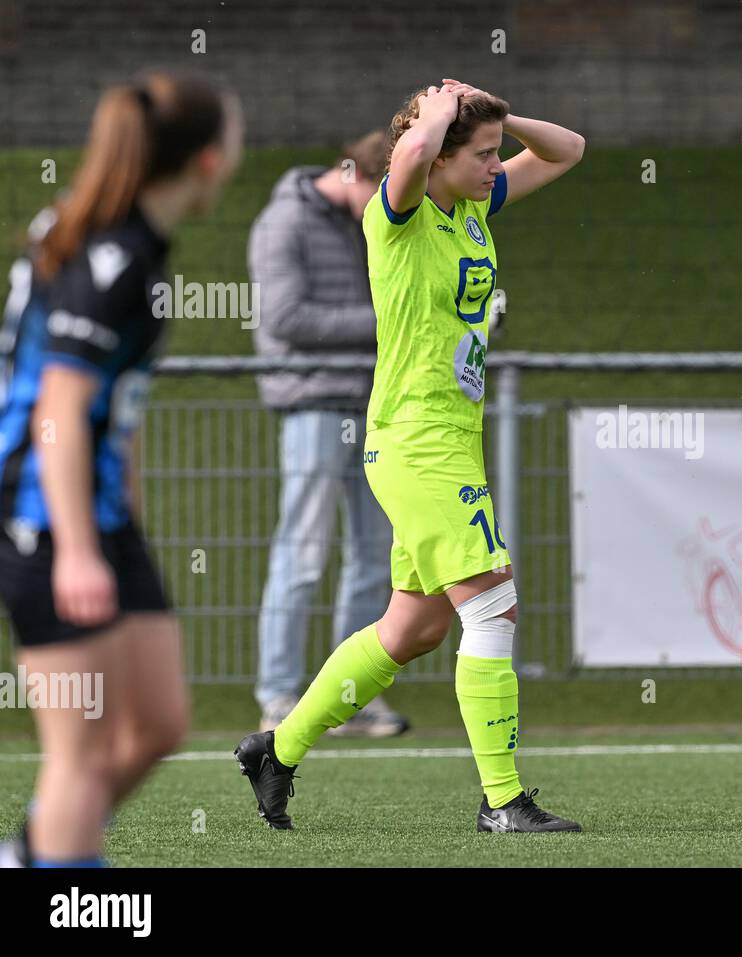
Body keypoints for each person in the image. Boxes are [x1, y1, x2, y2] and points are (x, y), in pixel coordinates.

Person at [235, 78, 585, 833]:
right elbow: (415, 153)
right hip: (417, 441)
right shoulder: (397, 214)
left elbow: (568, 151)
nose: (498, 164)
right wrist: (434, 114)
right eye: (484, 155)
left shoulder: (473, 207)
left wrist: (497, 117)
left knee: (412, 629)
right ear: (436, 157)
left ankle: (277, 747)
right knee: (493, 601)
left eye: (497, 155)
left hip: (447, 440)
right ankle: (503, 801)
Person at [0, 73, 242, 867]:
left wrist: (115, 519)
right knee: (81, 753)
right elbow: (58, 409)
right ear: (208, 159)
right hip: (41, 519)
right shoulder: (109, 258)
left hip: (96, 516)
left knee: (158, 723)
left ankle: (35, 852)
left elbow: (109, 409)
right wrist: (73, 545)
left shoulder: (136, 245)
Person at [250, 131, 409, 738]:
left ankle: (351, 696)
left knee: (375, 557)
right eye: (377, 191)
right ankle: (280, 696)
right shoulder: (281, 222)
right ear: (352, 174)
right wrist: (388, 321)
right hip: (312, 406)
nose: (383, 206)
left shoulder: (359, 220)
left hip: (372, 405)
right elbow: (284, 318)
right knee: (302, 553)